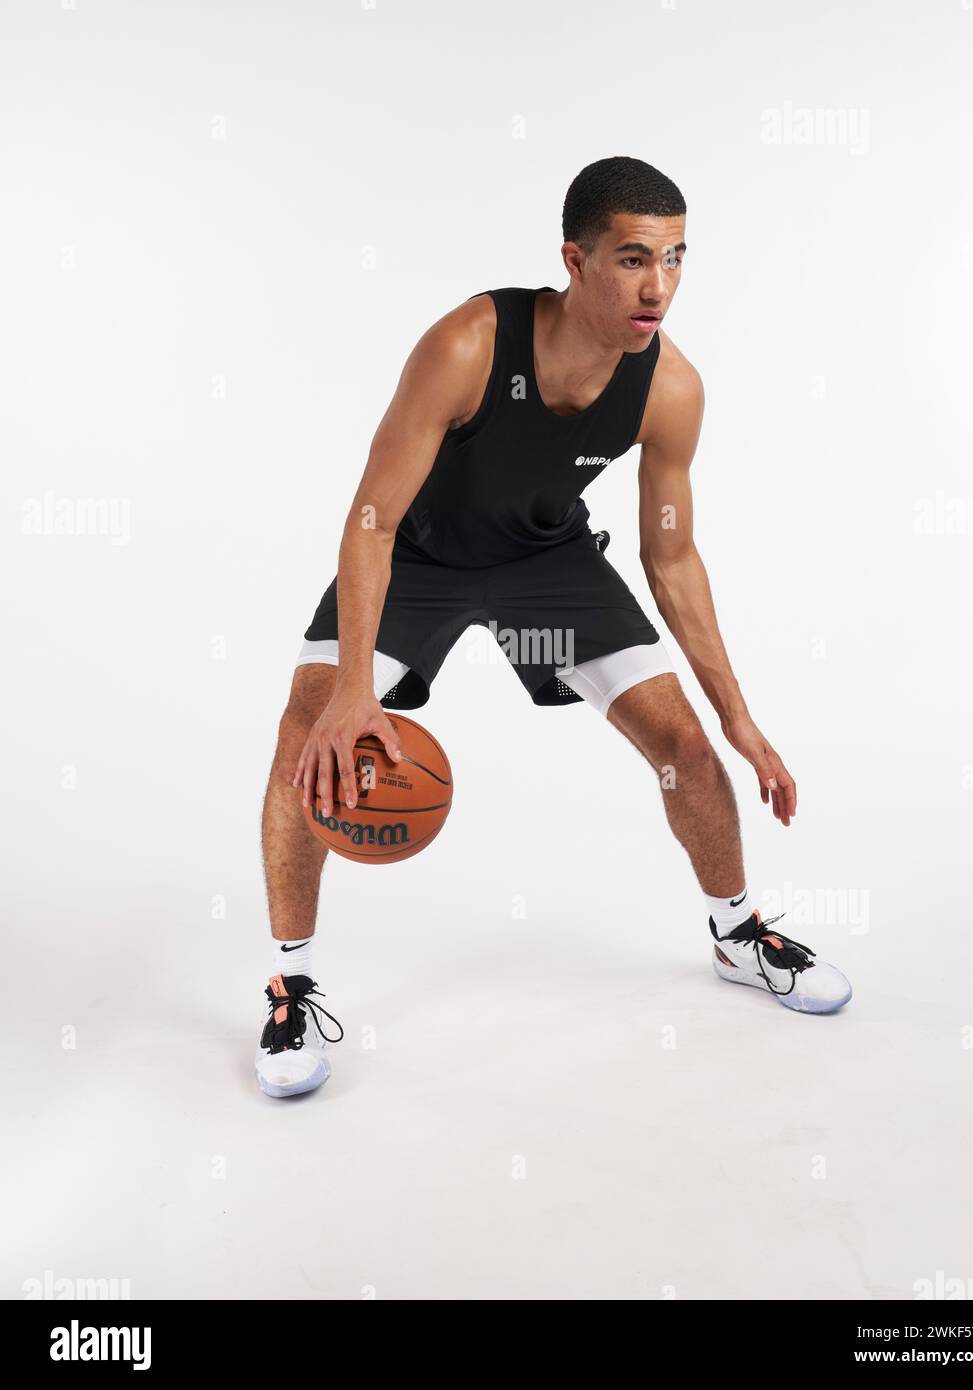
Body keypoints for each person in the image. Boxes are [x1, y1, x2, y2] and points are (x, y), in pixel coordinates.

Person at [255, 155, 852, 1099]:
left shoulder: (670, 387)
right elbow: (369, 518)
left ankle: (738, 936)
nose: (657, 285)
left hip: (545, 562)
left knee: (684, 746)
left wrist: (736, 713)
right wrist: (356, 688)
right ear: (573, 260)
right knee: (307, 731)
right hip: (414, 555)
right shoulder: (468, 345)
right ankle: (290, 985)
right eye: (629, 259)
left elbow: (671, 557)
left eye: (675, 256)